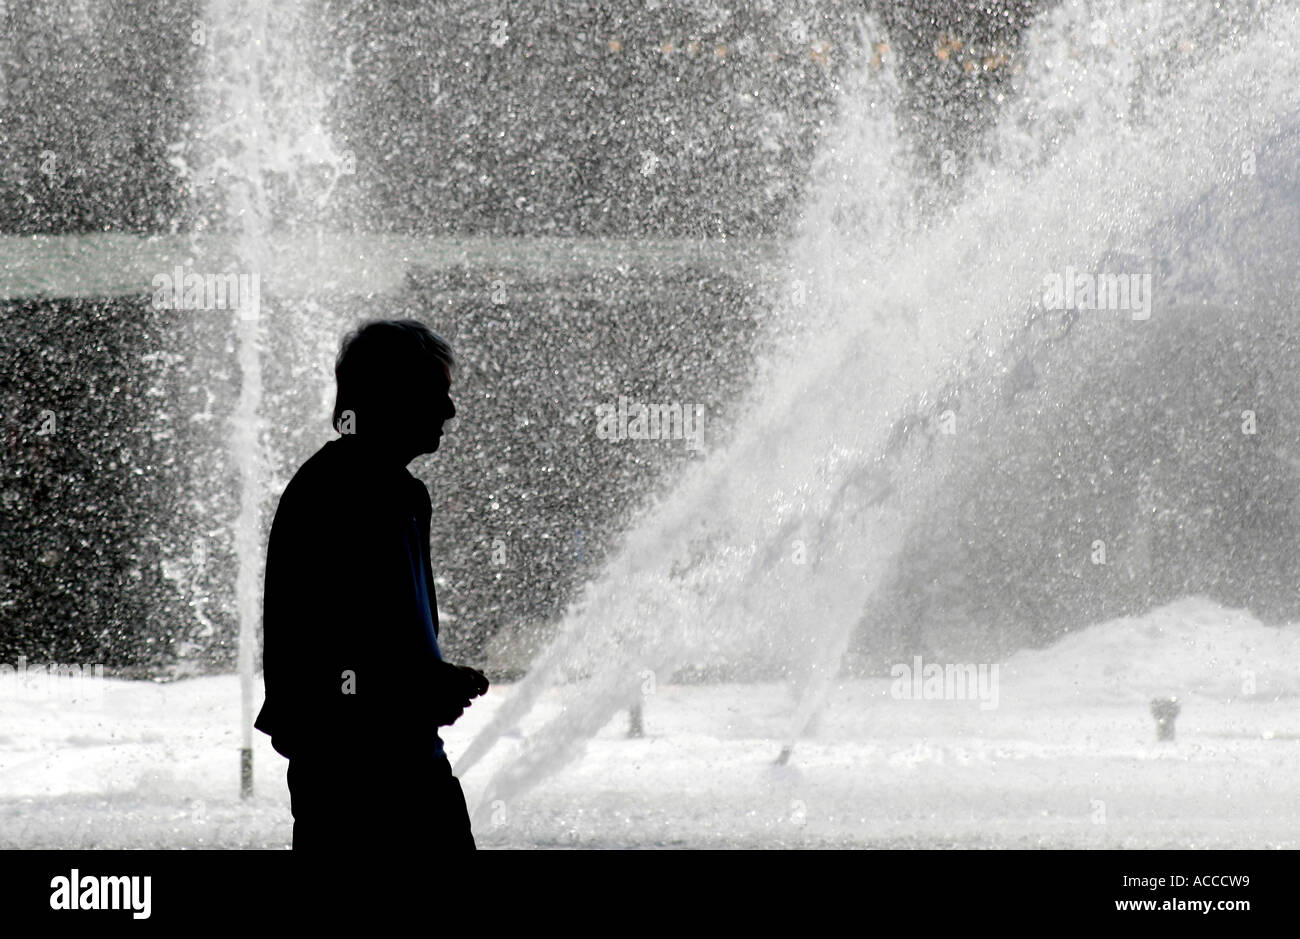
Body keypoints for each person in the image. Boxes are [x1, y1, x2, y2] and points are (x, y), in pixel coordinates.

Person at [254, 319, 488, 853]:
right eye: (436, 393)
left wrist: (431, 682)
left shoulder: (382, 490)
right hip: (368, 782)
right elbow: (335, 659)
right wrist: (422, 689)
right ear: (391, 395)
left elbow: (364, 641)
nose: (449, 410)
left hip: (384, 764)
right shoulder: (355, 494)